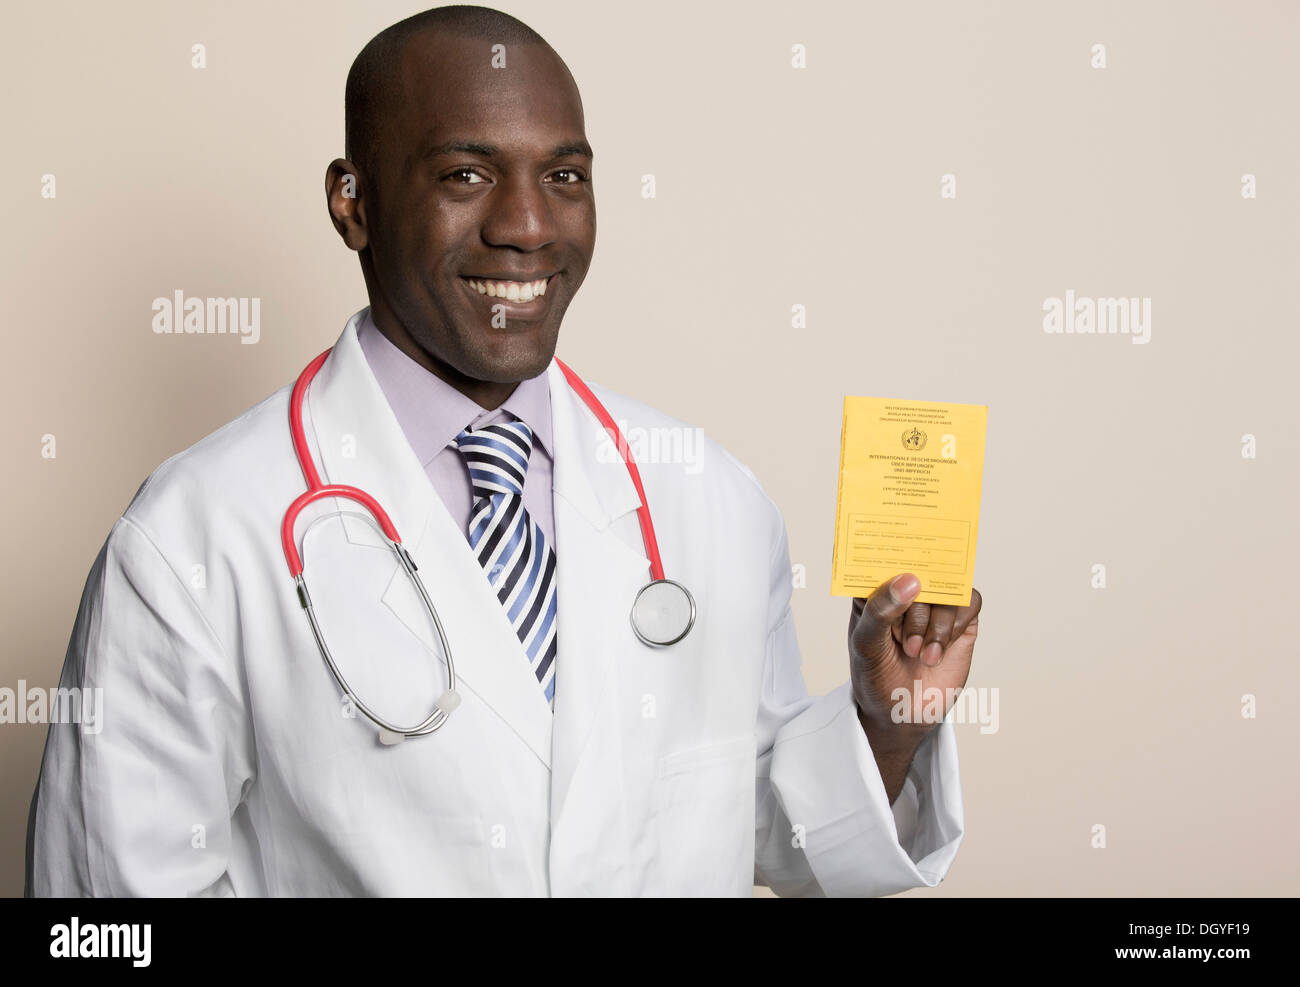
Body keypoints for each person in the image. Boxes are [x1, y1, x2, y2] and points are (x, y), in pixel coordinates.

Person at [28, 4, 983, 897]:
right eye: (466, 174)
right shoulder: (191, 541)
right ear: (351, 202)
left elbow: (769, 828)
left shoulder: (709, 499)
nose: (526, 226)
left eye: (563, 176)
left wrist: (884, 727)